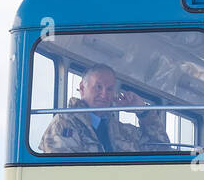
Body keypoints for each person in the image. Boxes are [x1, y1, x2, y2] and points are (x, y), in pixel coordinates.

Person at [38, 64, 171, 154]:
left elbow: (162, 149)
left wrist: (142, 110)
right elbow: (61, 175)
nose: (104, 94)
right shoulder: (65, 124)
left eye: (109, 89)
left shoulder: (124, 132)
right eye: (98, 87)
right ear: (82, 88)